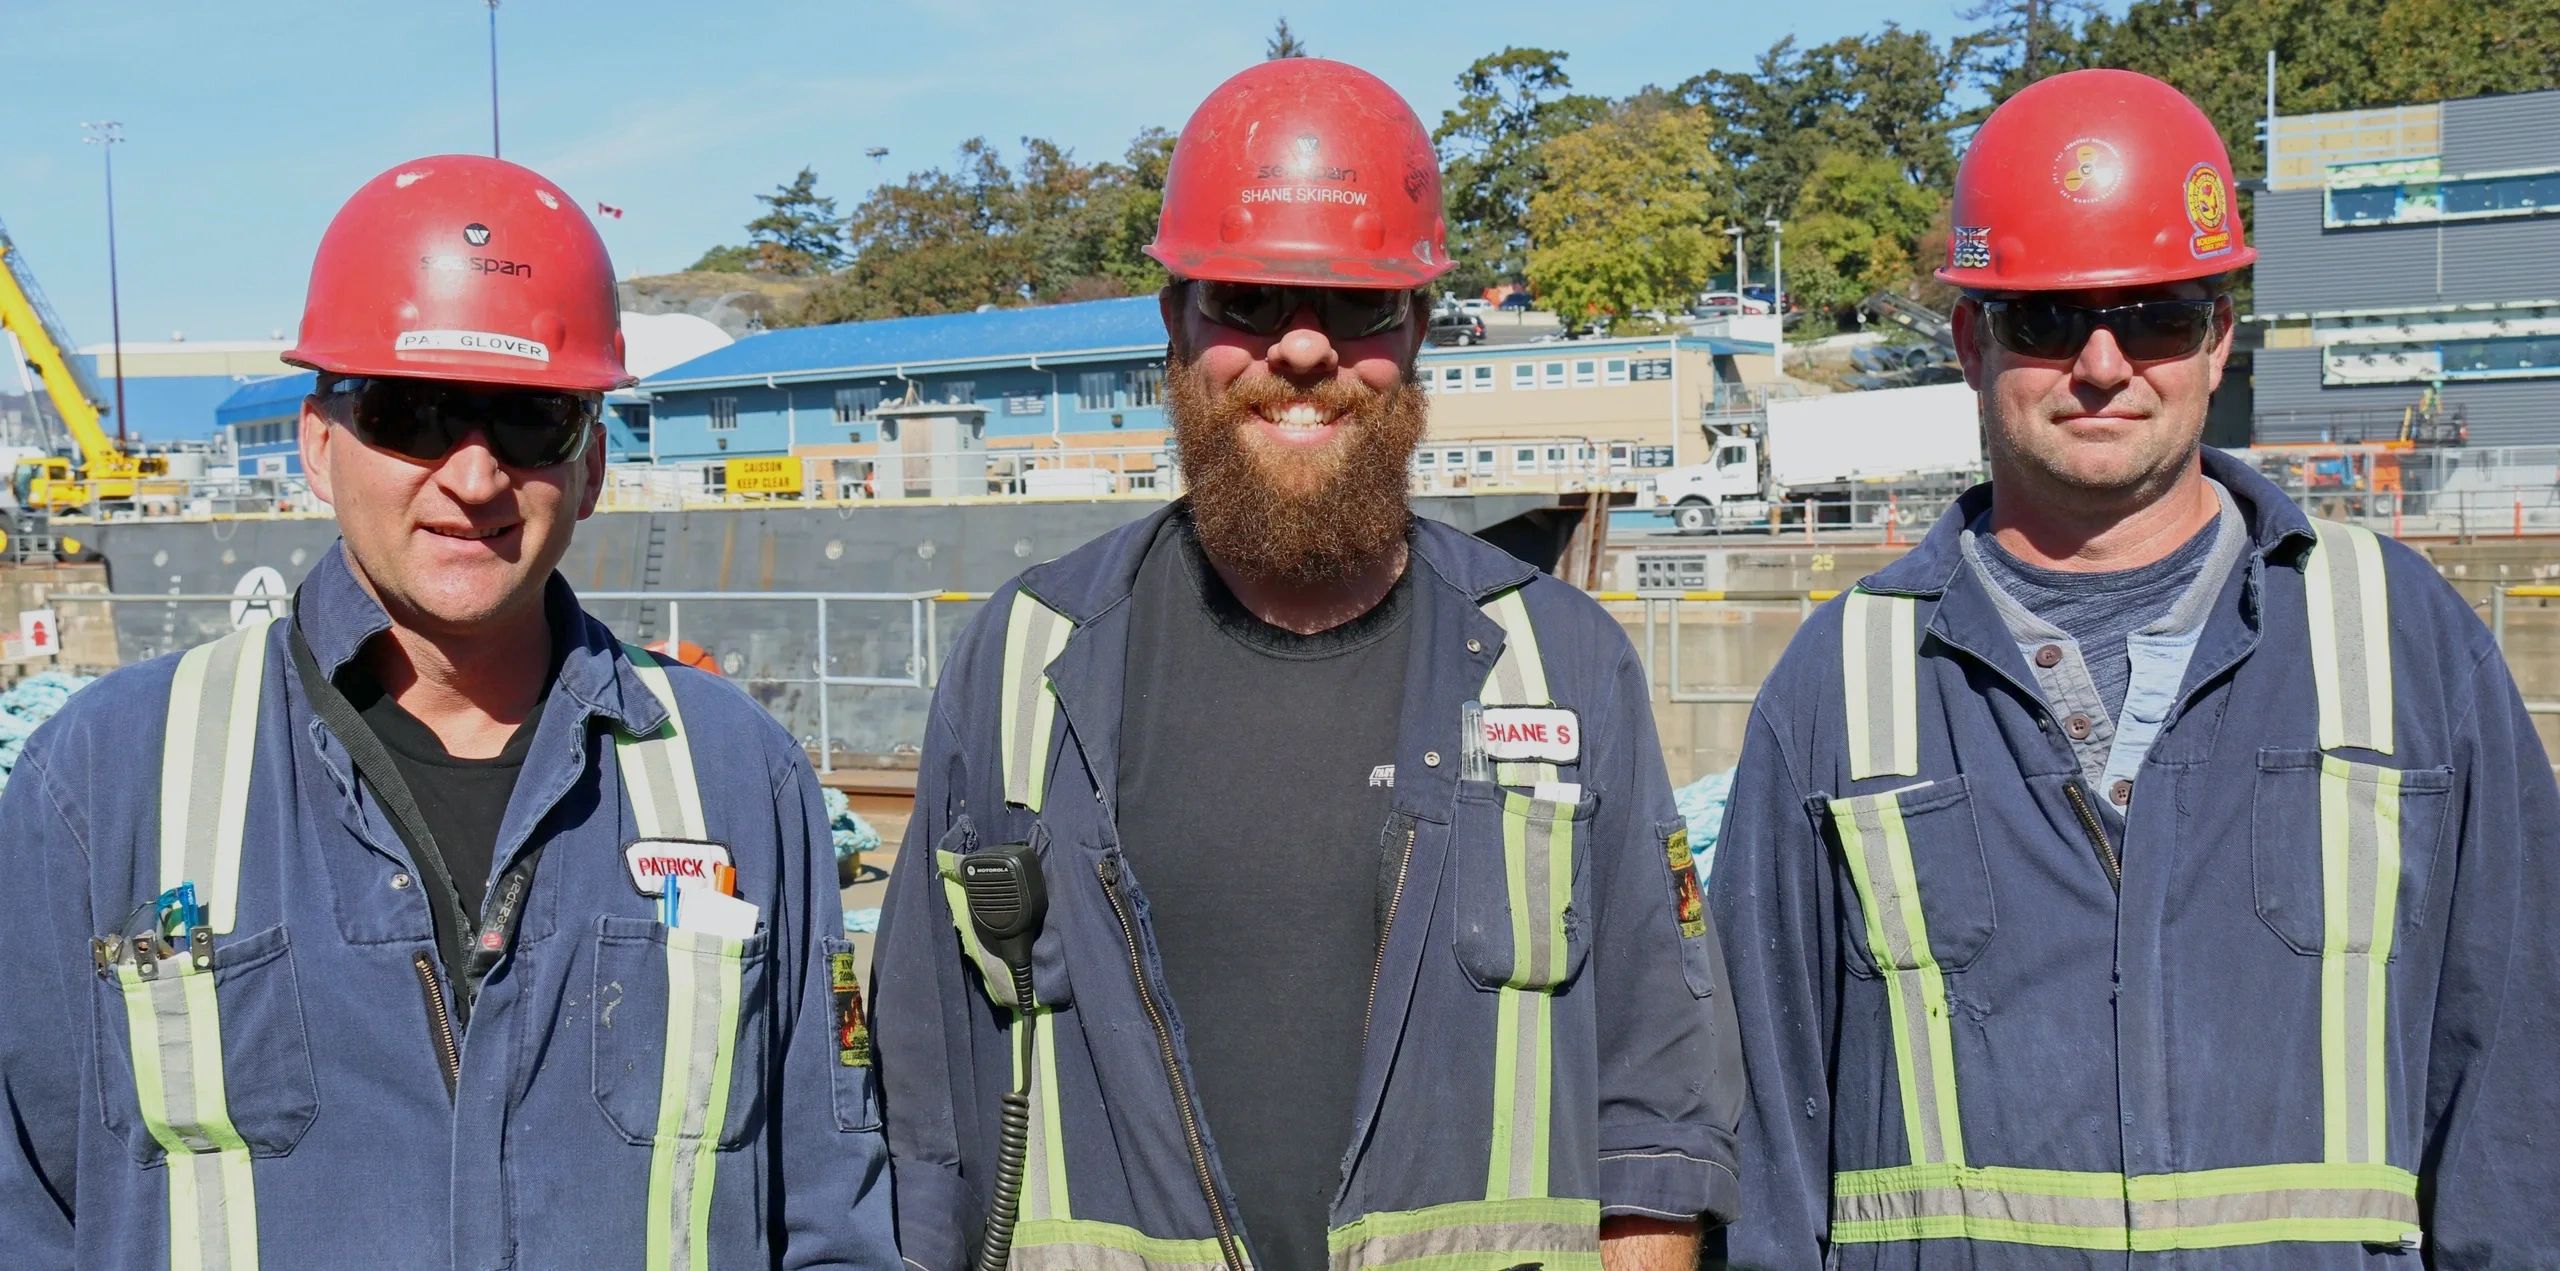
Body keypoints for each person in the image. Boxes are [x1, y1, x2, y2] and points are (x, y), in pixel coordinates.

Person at [871, 57, 1742, 1271]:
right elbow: (924, 1112)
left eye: (1358, 306)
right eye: (1247, 295)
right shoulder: (1023, 664)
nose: (1299, 348)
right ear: (1175, 321)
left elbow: (1658, 1108)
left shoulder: (1564, 663)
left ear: (1419, 331)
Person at [1711, 69, 2560, 1267]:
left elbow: (2521, 1099)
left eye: (2154, 310)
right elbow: (1764, 1160)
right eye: (2047, 320)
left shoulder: (2407, 644)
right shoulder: (1839, 682)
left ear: (2217, 336)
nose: (2103, 363)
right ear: (1969, 339)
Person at [0, 155, 894, 1269]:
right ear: (320, 443)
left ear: (594, 460)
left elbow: (830, 1212)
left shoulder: (736, 779)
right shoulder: (106, 778)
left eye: (529, 421)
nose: (473, 477)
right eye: (414, 414)